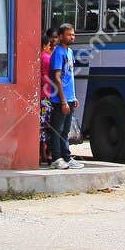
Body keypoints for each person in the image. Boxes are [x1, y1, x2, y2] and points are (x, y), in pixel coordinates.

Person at [48, 24, 82, 169]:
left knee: (65, 130)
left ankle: (66, 157)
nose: (72, 37)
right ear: (61, 36)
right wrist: (63, 101)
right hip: (59, 100)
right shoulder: (58, 53)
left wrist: (73, 97)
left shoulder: (69, 52)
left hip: (69, 99)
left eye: (73, 34)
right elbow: (57, 78)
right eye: (69, 35)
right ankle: (56, 158)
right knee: (57, 129)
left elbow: (69, 77)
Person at [38, 30, 58, 167]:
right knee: (47, 126)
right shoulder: (47, 58)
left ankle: (42, 154)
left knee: (41, 126)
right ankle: (47, 154)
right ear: (46, 44)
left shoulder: (39, 57)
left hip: (41, 95)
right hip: (47, 95)